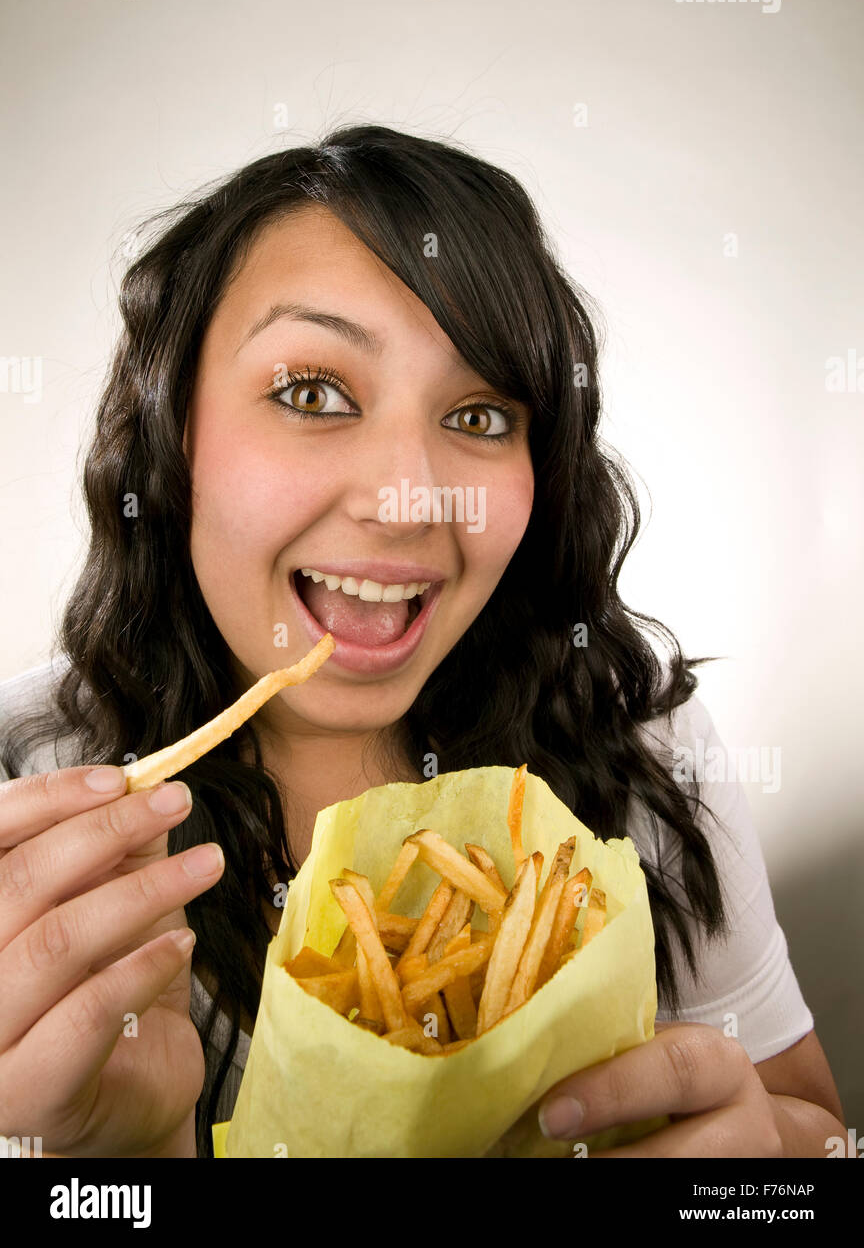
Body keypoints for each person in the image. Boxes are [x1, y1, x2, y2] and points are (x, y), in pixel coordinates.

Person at [0, 126, 845, 1158]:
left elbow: (816, 1132)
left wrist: (758, 1173)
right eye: (312, 392)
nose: (407, 498)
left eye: (482, 415)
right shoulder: (20, 799)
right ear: (173, 429)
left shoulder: (639, 740)